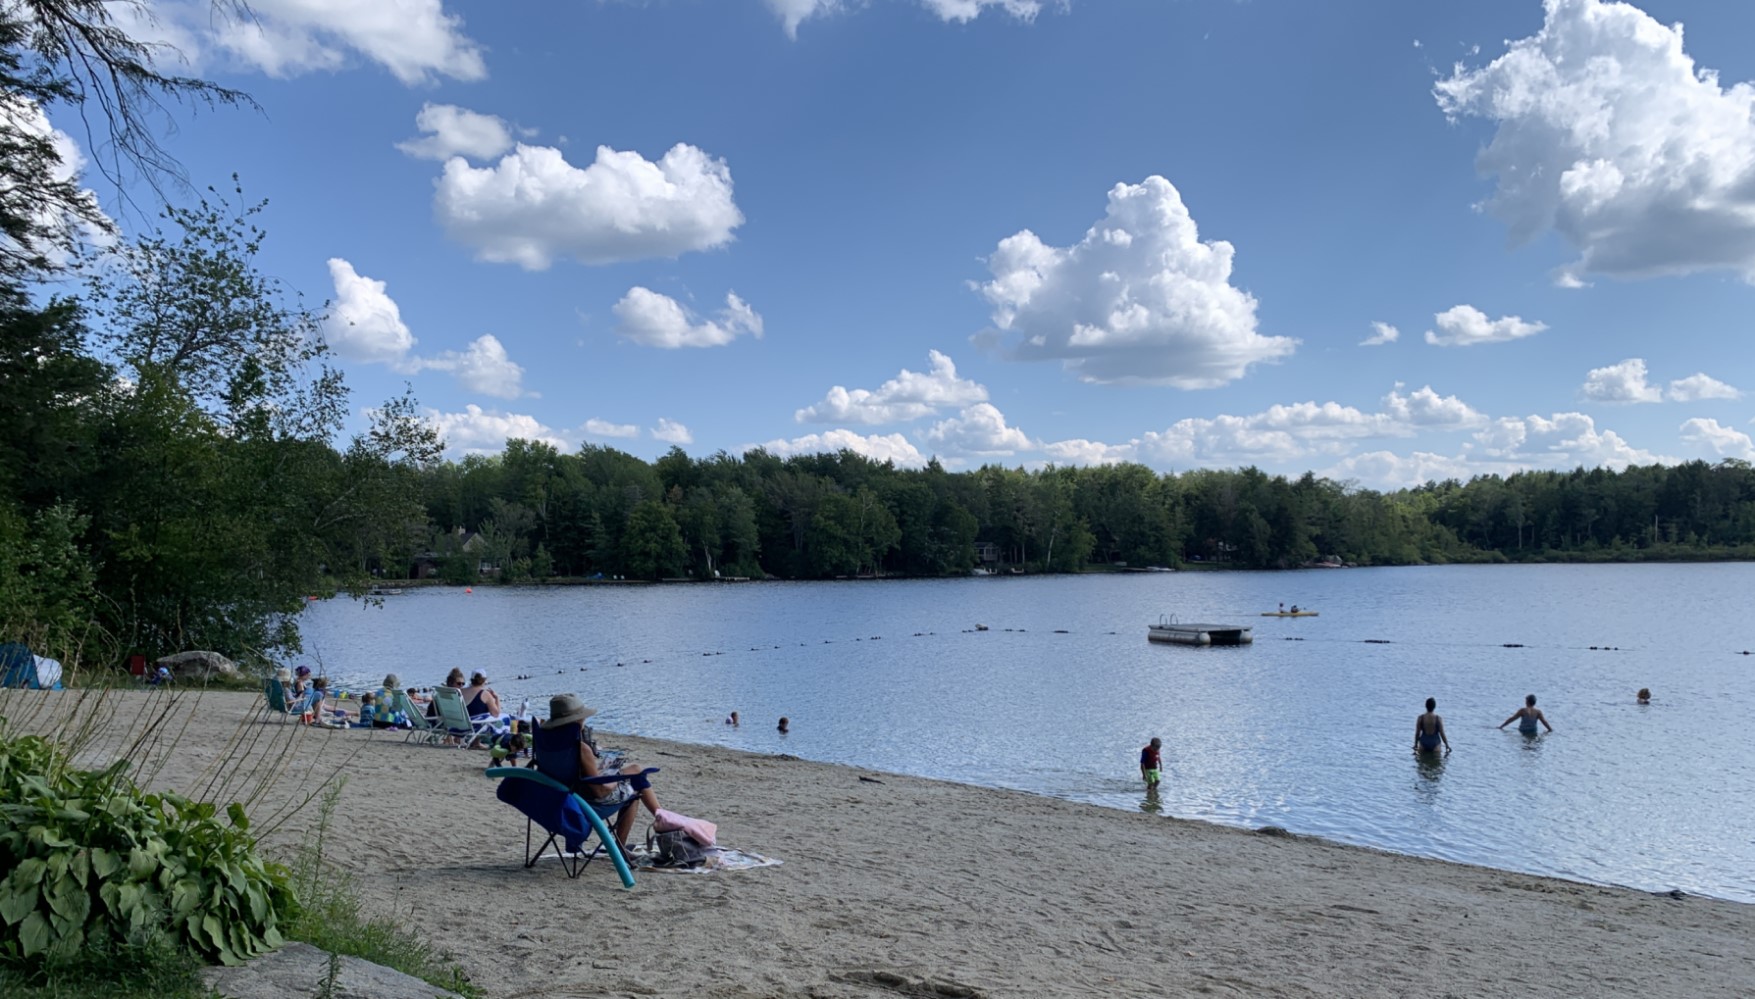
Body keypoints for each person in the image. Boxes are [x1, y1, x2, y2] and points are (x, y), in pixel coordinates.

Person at [536, 694, 662, 855]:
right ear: (577, 721)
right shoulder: (580, 748)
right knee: (636, 782)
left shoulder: (545, 746)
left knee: (634, 772)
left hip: (557, 801)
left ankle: (662, 817)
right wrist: (618, 775)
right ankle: (623, 846)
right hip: (584, 805)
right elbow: (600, 792)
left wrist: (602, 772)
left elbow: (572, 775)